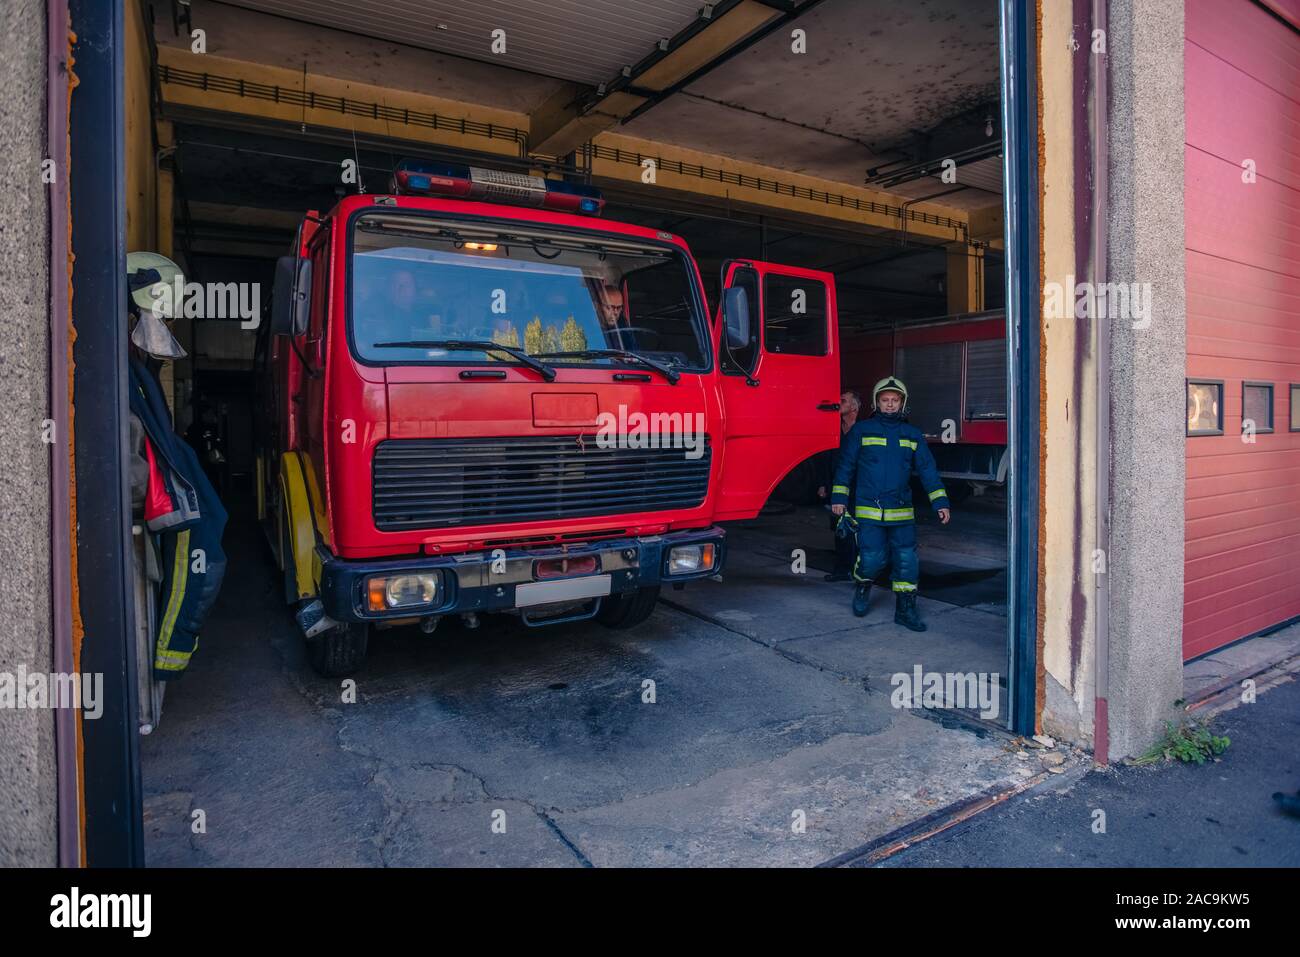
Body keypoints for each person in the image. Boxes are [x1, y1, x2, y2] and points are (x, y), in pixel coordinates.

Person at [831, 376, 950, 632]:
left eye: (895, 400)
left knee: (907, 561)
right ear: (877, 403)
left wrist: (940, 501)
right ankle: (863, 587)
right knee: (872, 559)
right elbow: (846, 466)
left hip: (902, 512)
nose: (890, 405)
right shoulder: (861, 431)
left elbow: (928, 470)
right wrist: (839, 498)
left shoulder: (912, 435)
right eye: (885, 400)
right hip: (868, 510)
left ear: (902, 403)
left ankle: (905, 610)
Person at [817, 389, 862, 581]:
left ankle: (859, 572)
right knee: (840, 529)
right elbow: (826, 458)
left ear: (854, 407)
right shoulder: (833, 429)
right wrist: (822, 484)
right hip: (837, 488)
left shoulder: (864, 430)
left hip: (859, 489)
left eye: (843, 401)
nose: (838, 403)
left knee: (858, 530)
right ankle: (842, 570)